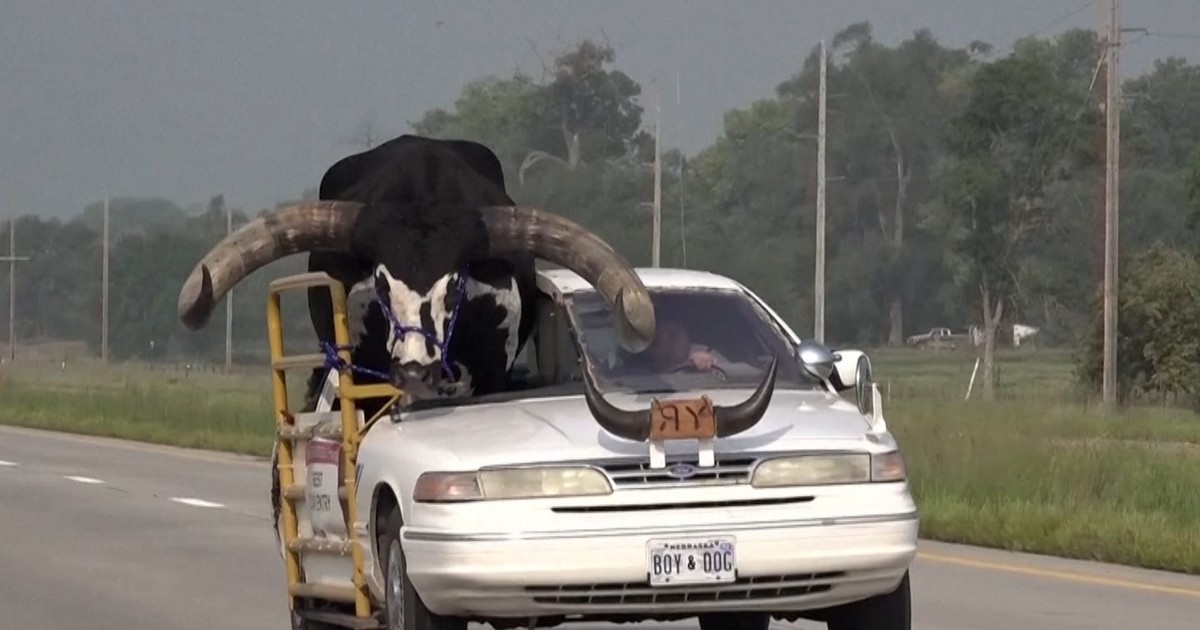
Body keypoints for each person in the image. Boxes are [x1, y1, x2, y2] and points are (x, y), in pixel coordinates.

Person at [619, 319, 726, 374]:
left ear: (688, 337)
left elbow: (731, 377)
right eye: (658, 338)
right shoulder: (636, 373)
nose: (667, 342)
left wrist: (709, 365)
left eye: (673, 334)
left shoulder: (707, 354)